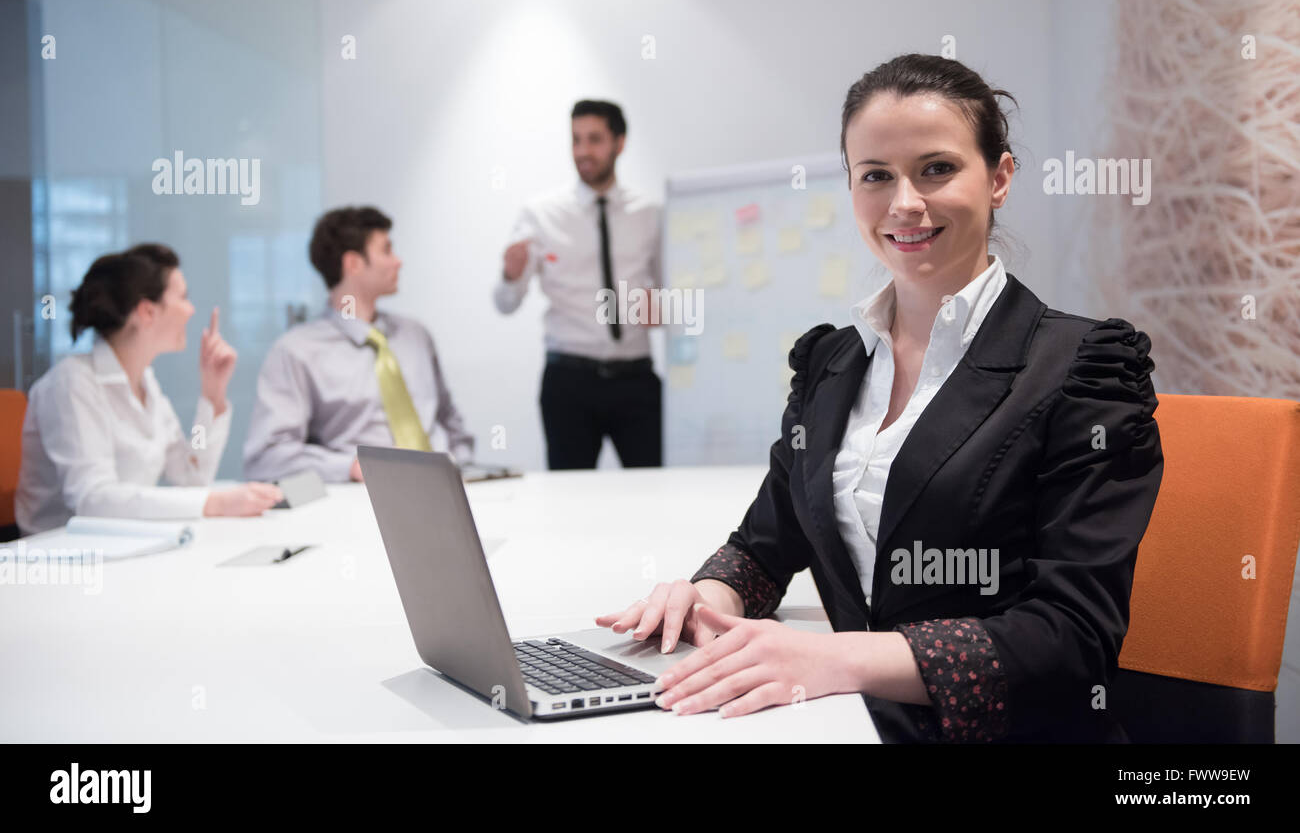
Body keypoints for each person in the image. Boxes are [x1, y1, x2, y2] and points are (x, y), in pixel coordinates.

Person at [595, 54, 1165, 743]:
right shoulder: (833, 363)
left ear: (1001, 178)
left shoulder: (1083, 369)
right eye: (875, 176)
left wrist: (831, 657)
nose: (904, 203)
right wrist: (701, 598)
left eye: (936, 168)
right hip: (847, 723)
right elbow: (765, 545)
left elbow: (1071, 637)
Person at [15, 244, 282, 535]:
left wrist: (212, 396)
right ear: (147, 312)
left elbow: (191, 475)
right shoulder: (71, 383)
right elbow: (92, 500)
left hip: (124, 542)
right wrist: (212, 502)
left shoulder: (146, 382)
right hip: (63, 554)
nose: (191, 309)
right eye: (183, 297)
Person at [243, 206, 474, 483]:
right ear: (353, 263)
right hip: (360, 501)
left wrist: (461, 464)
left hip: (449, 489)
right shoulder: (296, 351)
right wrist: (352, 468)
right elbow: (266, 458)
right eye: (387, 250)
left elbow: (451, 422)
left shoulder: (416, 336)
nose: (398, 261)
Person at [493, 100, 664, 469]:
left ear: (619, 143)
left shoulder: (650, 214)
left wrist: (664, 308)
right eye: (575, 140)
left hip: (635, 379)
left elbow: (674, 299)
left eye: (594, 139)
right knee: (567, 500)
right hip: (568, 382)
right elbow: (505, 304)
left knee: (653, 493)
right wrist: (510, 274)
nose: (582, 151)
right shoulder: (540, 213)